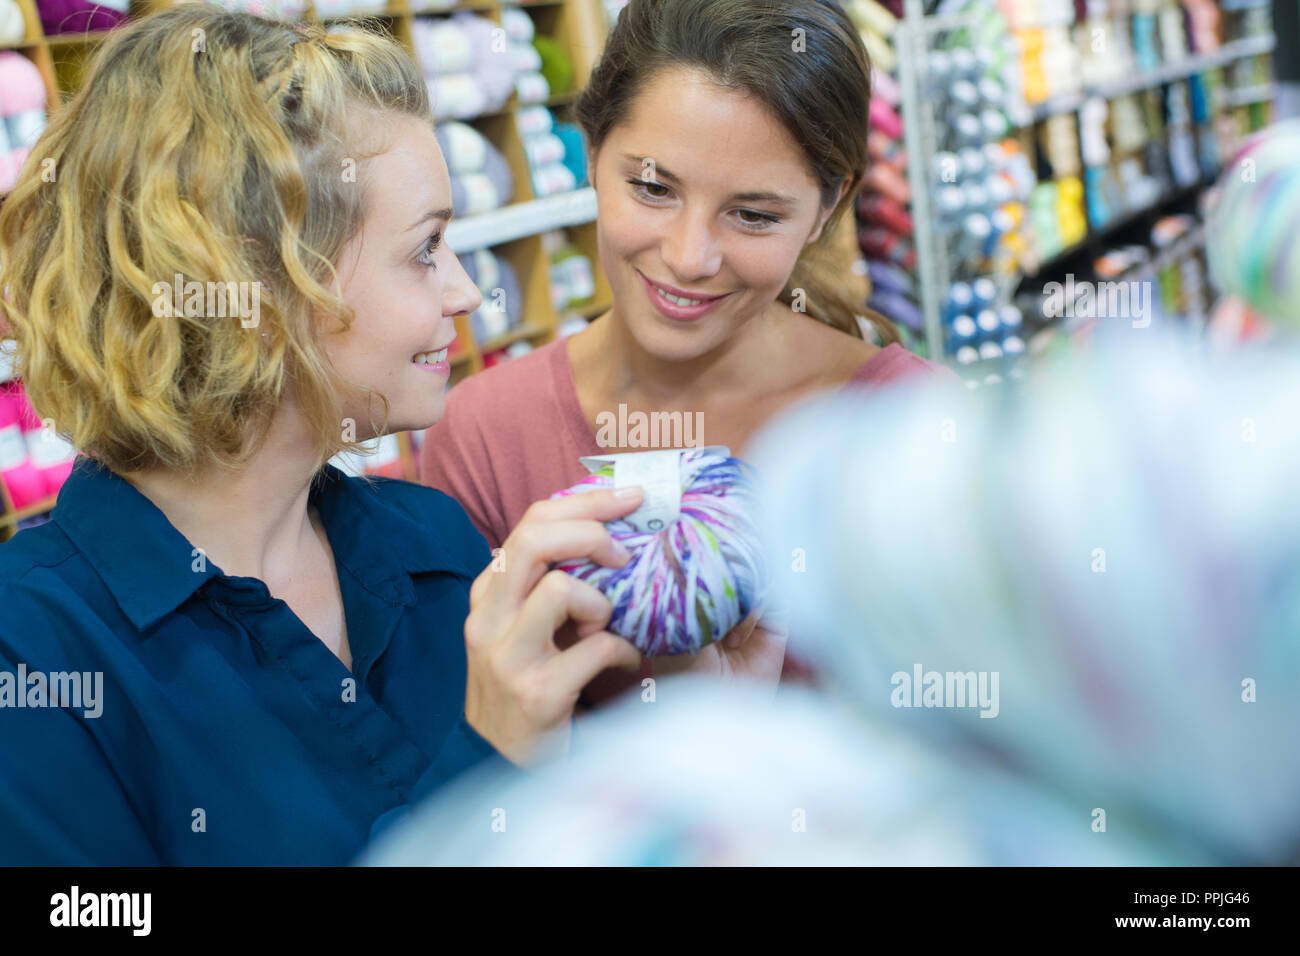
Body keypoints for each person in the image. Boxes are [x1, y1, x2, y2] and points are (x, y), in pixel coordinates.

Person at [0, 7, 642, 865]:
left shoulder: (435, 543)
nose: (464, 292)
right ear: (259, 289)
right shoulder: (33, 656)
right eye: (426, 249)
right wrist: (487, 762)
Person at [420, 0, 957, 704]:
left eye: (753, 215)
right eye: (652, 188)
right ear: (592, 153)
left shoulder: (915, 427)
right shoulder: (485, 435)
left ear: (826, 209)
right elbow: (460, 746)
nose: (689, 257)